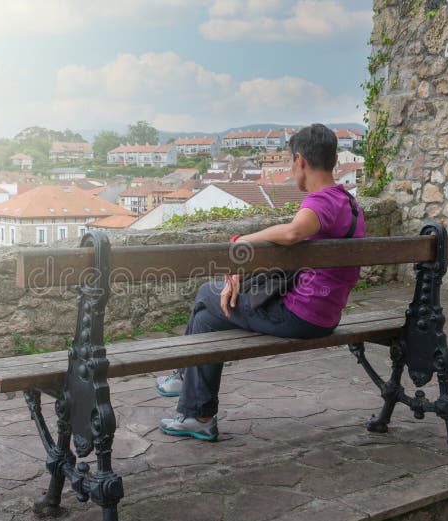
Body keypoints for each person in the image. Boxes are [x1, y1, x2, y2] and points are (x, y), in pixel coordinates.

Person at [156, 123, 366, 441]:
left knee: (206, 292)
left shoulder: (320, 202)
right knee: (207, 319)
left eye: (289, 162)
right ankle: (194, 410)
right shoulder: (348, 203)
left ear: (300, 161)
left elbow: (294, 231)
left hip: (300, 315)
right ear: (335, 160)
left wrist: (242, 241)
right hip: (326, 315)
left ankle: (188, 386)